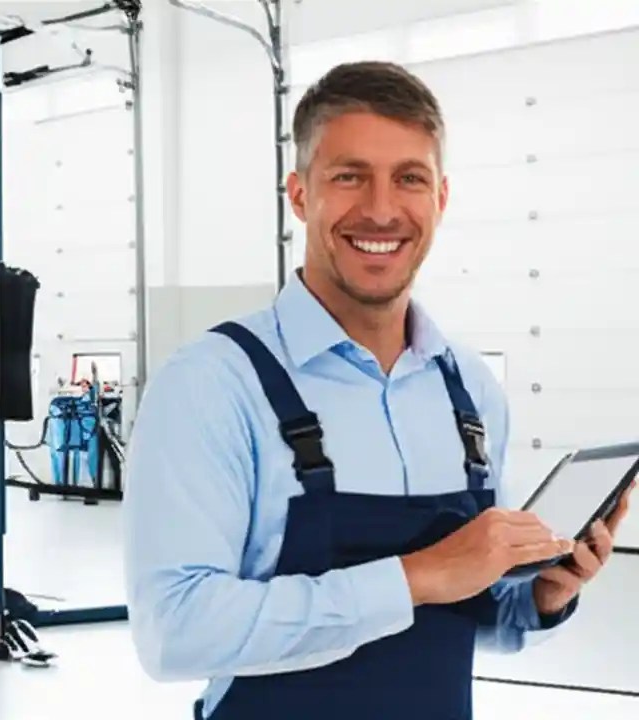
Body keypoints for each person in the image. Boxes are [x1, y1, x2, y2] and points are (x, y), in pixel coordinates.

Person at [122, 60, 633, 720]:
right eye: (349, 176)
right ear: (299, 194)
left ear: (440, 199)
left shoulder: (469, 391)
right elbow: (175, 631)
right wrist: (417, 575)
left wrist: (541, 597)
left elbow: (471, 614)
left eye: (409, 178)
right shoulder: (212, 384)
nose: (382, 209)